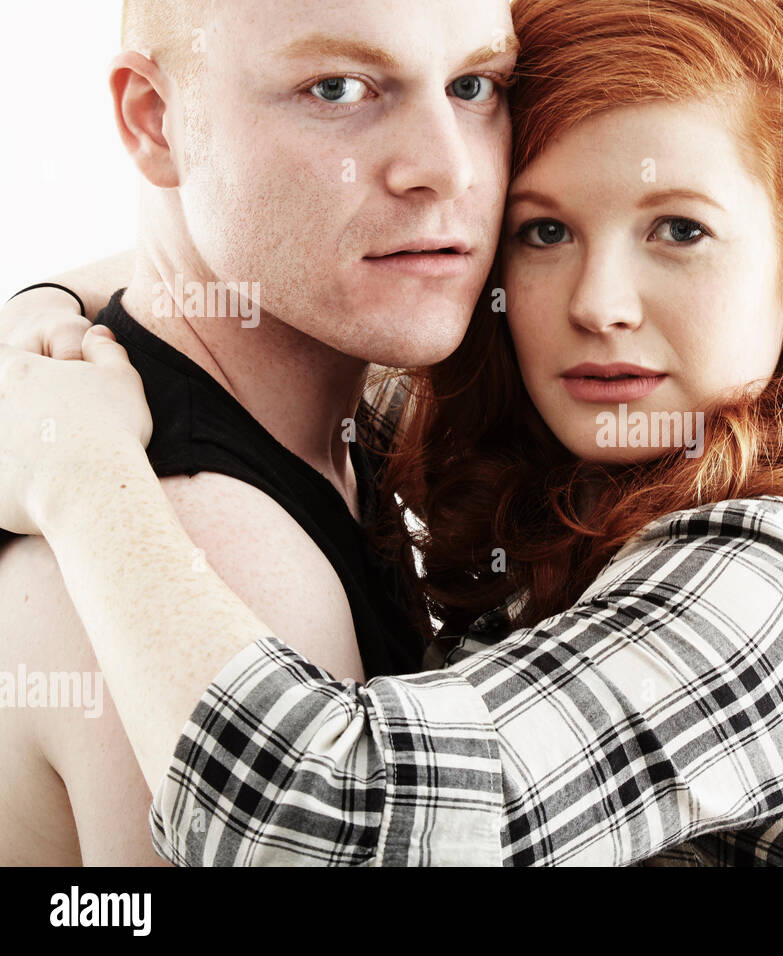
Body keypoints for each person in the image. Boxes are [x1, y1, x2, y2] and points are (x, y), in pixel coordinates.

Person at [0, 0, 783, 865]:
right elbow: (253, 271)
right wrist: (40, 316)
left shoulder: (781, 565)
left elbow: (324, 828)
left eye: (679, 229)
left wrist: (86, 482)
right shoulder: (524, 453)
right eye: (544, 231)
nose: (600, 303)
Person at [0, 0, 518, 865]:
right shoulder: (208, 557)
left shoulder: (322, 411)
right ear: (154, 121)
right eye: (338, 88)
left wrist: (39, 300)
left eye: (474, 84)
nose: (449, 169)